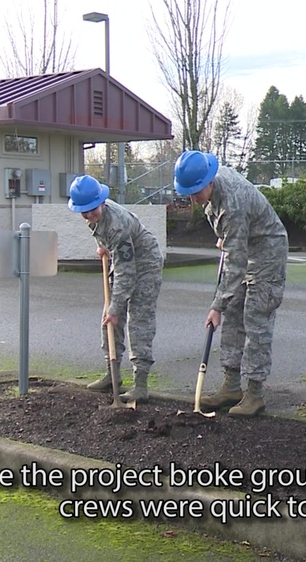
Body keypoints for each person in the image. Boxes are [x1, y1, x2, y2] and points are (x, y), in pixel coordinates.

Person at [173, 150, 288, 417]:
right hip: (244, 245)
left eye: (195, 192)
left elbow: (236, 263)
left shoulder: (232, 204)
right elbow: (231, 243)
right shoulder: (212, 185)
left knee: (256, 319)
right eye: (188, 193)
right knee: (233, 313)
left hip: (267, 254)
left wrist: (216, 306)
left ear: (209, 181)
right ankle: (231, 386)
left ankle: (255, 394)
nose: (192, 199)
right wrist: (225, 236)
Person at [67, 174, 163, 403]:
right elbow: (102, 233)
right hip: (123, 264)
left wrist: (116, 307)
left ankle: (141, 385)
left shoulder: (118, 225)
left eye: (92, 211)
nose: (89, 216)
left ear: (101, 202)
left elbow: (126, 272)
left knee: (138, 322)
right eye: (84, 213)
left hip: (146, 265)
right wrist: (103, 247)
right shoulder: (94, 213)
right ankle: (113, 375)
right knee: (109, 320)